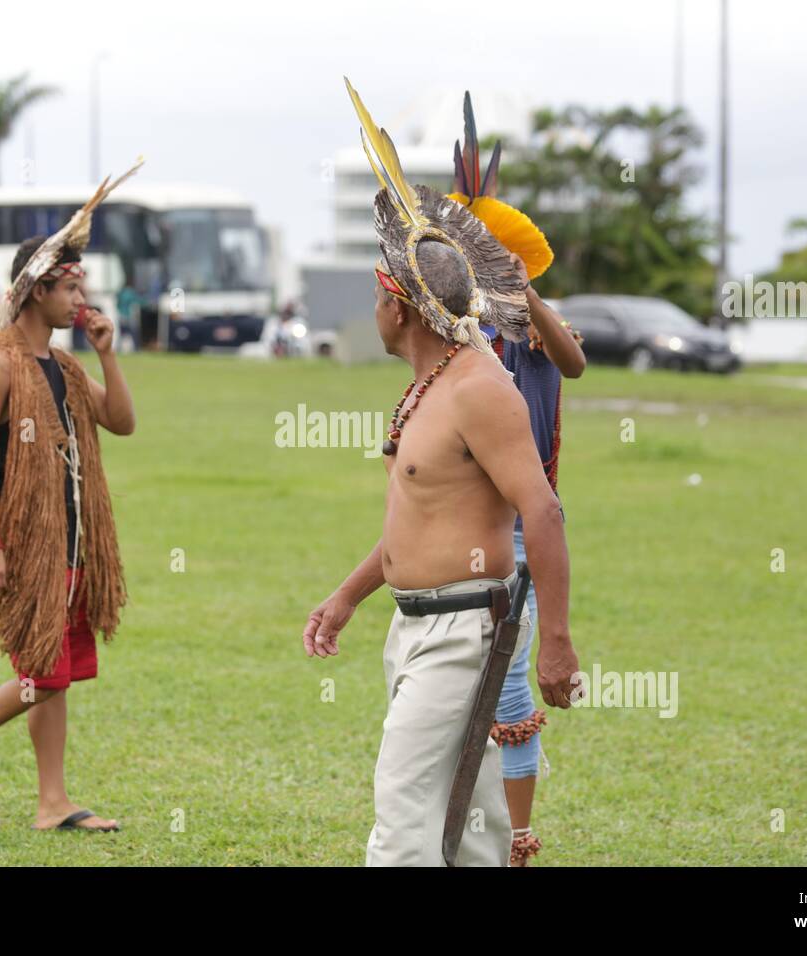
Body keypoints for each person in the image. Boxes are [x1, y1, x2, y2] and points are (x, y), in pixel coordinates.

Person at [301, 80, 579, 867]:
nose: (373, 309)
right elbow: (416, 515)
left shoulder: (479, 387)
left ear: (402, 307)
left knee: (403, 824)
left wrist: (554, 642)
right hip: (418, 623)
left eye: (378, 294)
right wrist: (349, 595)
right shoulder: (428, 386)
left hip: (466, 627)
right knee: (473, 823)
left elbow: (544, 512)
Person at [0, 168, 139, 832]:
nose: (83, 297)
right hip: (24, 546)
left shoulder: (65, 364)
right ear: (37, 288)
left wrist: (107, 354)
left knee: (56, 670)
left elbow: (122, 422)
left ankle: (53, 802)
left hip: (71, 542)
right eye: (72, 286)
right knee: (43, 672)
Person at [449, 92, 587, 866]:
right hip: (457, 531)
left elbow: (574, 363)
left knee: (503, 694)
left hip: (516, 530)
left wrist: (519, 286)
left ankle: (519, 839)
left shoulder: (528, 325)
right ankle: (471, 829)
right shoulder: (459, 330)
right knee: (456, 692)